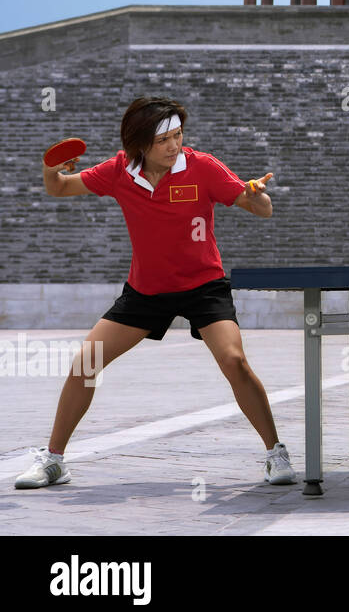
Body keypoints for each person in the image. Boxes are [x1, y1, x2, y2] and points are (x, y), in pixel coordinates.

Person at [15, 97, 297, 489]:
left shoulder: (202, 167)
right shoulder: (119, 171)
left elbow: (263, 209)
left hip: (204, 287)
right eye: (164, 139)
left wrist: (254, 195)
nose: (174, 145)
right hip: (146, 291)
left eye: (178, 135)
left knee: (234, 360)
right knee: (85, 362)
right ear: (140, 143)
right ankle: (55, 461)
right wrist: (49, 170)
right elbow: (59, 189)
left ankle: (275, 453)